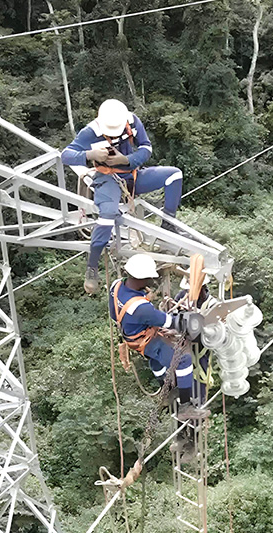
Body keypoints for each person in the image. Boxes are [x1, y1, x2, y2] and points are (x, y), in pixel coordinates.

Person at [61, 100, 184, 294]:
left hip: (132, 174)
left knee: (174, 175)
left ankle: (168, 223)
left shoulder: (132, 121)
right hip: (108, 178)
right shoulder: (91, 131)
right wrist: (90, 154)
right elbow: (66, 155)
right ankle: (92, 268)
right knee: (107, 215)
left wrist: (127, 160)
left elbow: (146, 147)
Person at [108, 253, 205, 422]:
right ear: (142, 278)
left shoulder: (116, 286)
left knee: (157, 360)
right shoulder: (141, 308)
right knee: (183, 360)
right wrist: (190, 323)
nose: (149, 282)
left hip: (131, 335)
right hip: (146, 339)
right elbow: (169, 321)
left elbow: (114, 311)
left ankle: (165, 390)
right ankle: (185, 406)